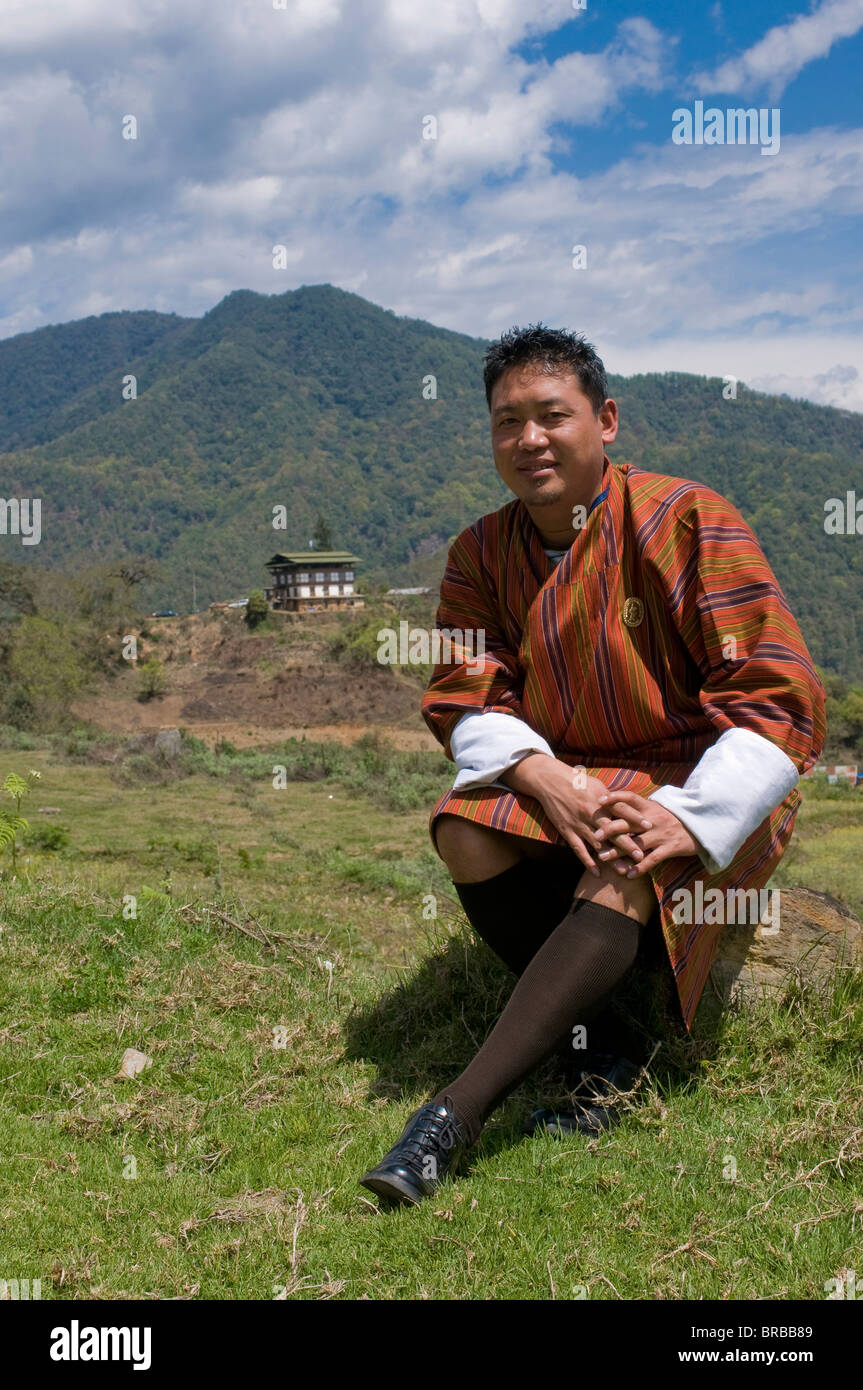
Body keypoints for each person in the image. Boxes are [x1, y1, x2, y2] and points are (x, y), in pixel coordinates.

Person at [359, 325, 826, 1207]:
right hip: (567, 772)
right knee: (464, 830)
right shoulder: (479, 553)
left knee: (622, 861)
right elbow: (462, 693)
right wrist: (543, 779)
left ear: (603, 420)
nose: (528, 439)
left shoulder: (686, 517)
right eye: (507, 422)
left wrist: (685, 816)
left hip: (701, 773)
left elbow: (774, 696)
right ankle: (606, 1037)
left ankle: (452, 1116)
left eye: (551, 415)